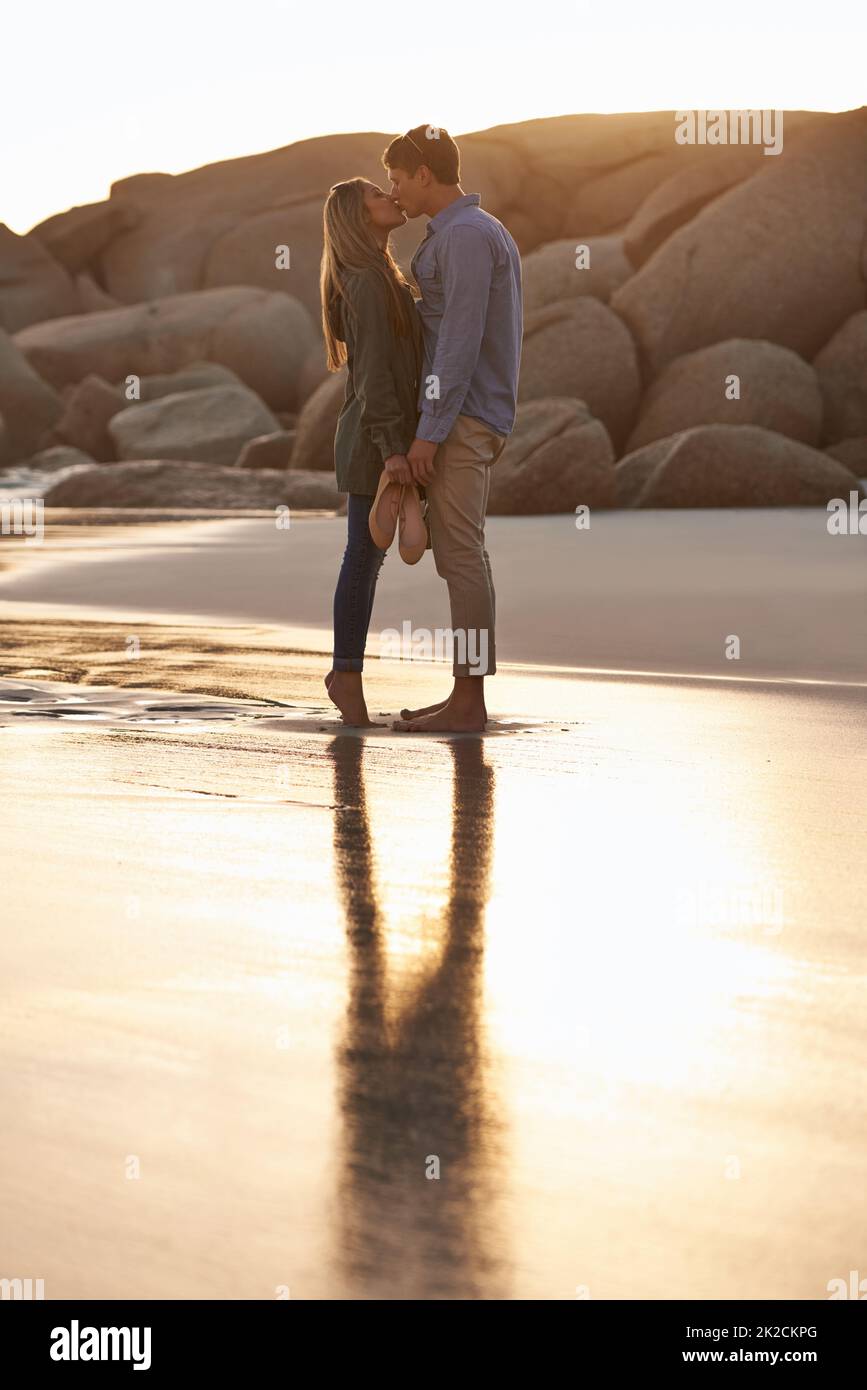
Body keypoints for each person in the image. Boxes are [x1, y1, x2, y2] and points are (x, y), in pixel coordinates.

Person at [384, 125, 523, 733]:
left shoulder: (466, 236)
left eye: (396, 178)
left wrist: (429, 434)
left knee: (462, 556)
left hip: (462, 418)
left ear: (423, 174)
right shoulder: (464, 232)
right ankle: (464, 695)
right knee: (461, 556)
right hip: (462, 415)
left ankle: (469, 704)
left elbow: (460, 344)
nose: (393, 190)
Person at [321, 177, 423, 726]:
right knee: (363, 556)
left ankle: (346, 673)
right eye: (377, 197)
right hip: (373, 441)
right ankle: (346, 676)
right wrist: (393, 449)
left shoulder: (381, 274)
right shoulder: (363, 280)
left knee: (369, 556)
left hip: (380, 437)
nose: (391, 197)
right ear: (361, 219)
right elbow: (377, 377)